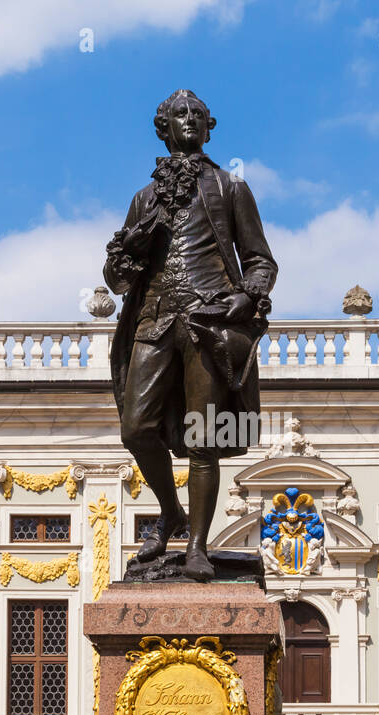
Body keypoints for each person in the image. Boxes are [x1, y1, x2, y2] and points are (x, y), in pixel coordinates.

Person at [103, 90, 277, 581]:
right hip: (154, 319)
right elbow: (117, 281)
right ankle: (170, 510)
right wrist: (126, 251)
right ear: (163, 127)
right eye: (179, 115)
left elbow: (261, 259)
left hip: (208, 322)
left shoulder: (230, 188)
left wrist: (248, 296)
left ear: (209, 126)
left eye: (197, 115)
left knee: (204, 438)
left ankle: (197, 544)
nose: (189, 121)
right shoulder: (143, 198)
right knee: (135, 428)